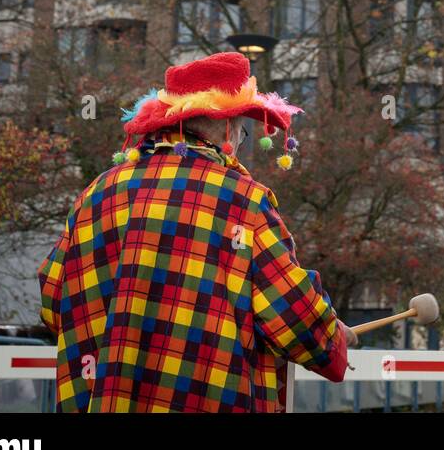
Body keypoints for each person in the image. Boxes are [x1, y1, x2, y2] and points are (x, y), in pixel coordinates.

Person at [37, 51, 354, 412]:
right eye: (242, 127)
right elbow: (291, 313)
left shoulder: (97, 194)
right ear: (226, 127)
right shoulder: (243, 200)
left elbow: (53, 299)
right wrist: (332, 338)